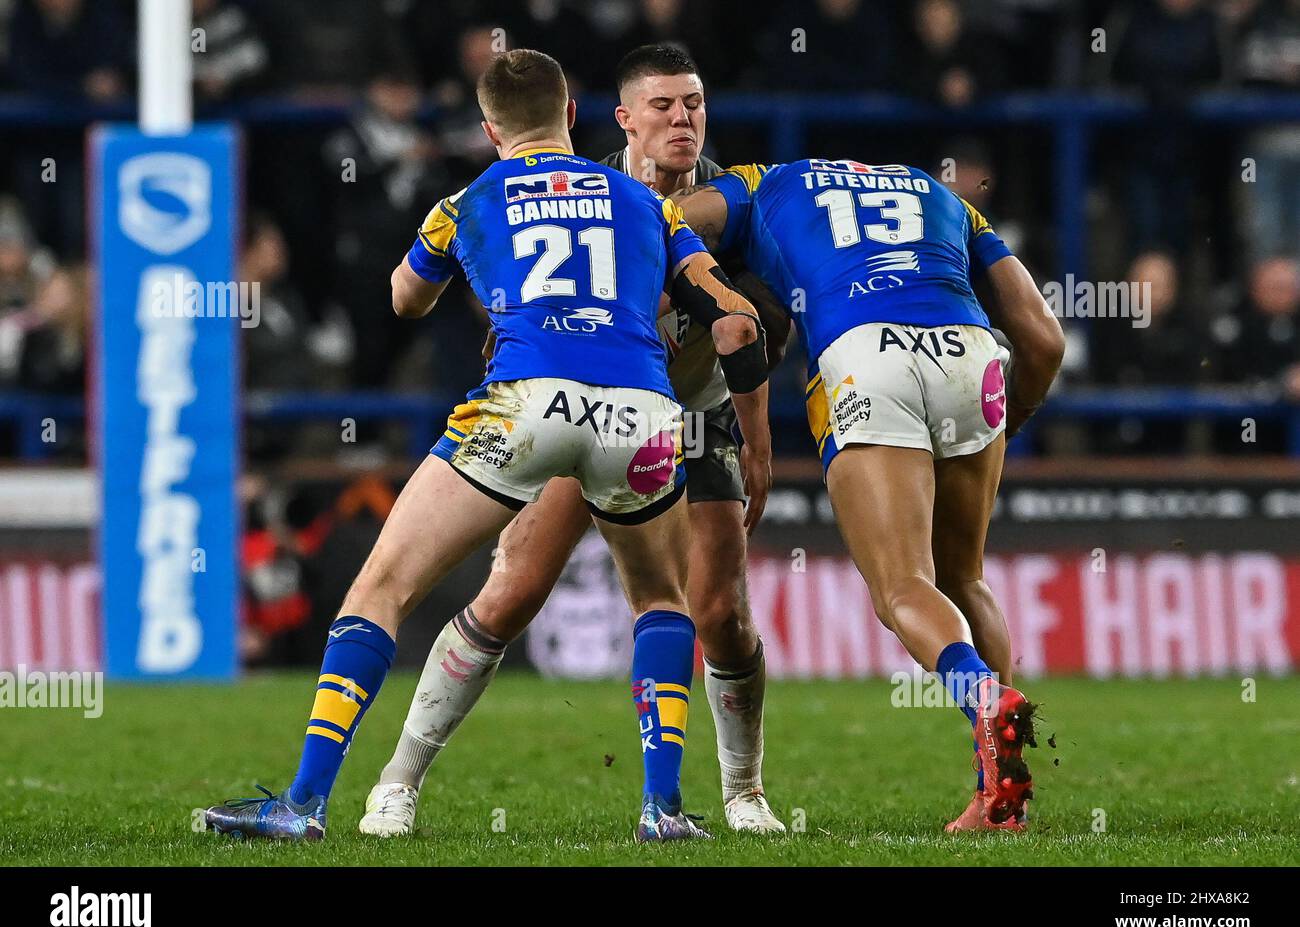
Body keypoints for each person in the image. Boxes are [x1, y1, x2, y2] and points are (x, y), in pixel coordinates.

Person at [203, 49, 771, 843]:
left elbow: (403, 299)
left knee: (381, 589)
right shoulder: (648, 205)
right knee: (660, 602)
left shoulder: (467, 198)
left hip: (526, 403)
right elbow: (728, 312)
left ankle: (303, 803)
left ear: (489, 129)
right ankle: (662, 809)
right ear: (572, 116)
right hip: (642, 415)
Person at [359, 44, 791, 839]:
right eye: (663, 106)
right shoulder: (591, 188)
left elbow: (756, 321)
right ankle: (398, 781)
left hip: (695, 416)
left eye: (694, 104)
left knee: (721, 611)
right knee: (512, 592)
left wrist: (757, 441)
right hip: (592, 404)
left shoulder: (732, 204)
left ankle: (744, 792)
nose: (683, 120)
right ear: (623, 118)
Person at [674, 157, 1064, 830]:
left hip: (866, 355)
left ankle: (985, 698)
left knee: (904, 589)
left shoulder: (763, 182)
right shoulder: (940, 195)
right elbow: (1045, 340)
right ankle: (997, 799)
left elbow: (669, 223)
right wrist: (1012, 415)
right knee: (963, 577)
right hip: (970, 353)